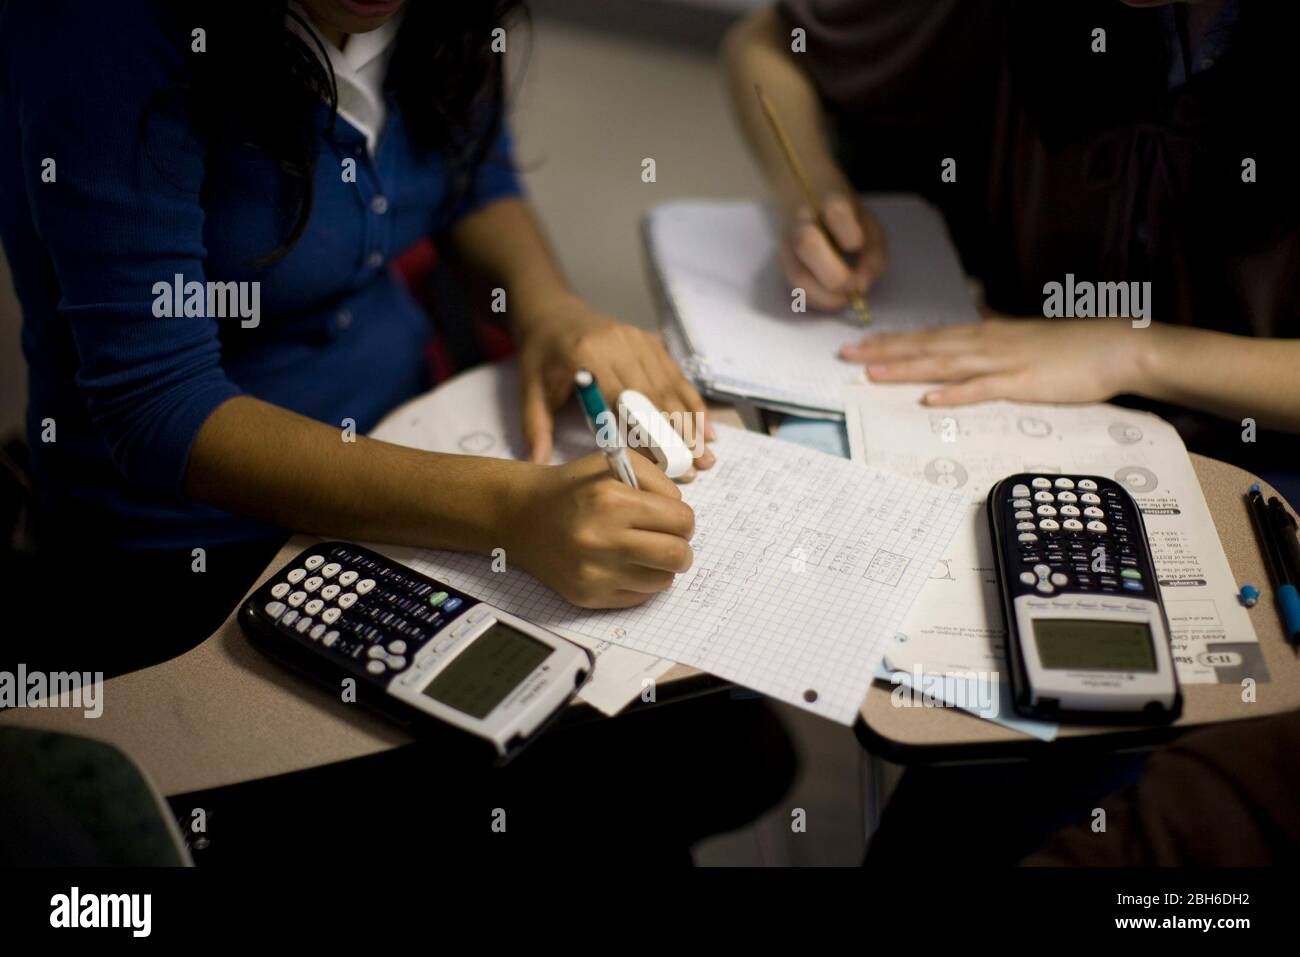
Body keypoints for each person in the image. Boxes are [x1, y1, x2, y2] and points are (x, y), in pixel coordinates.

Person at [0, 0, 721, 674]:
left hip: (423, 449)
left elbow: (473, 178)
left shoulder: (445, 15)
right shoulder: (100, 28)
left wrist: (551, 309)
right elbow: (159, 407)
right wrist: (510, 513)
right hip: (192, 550)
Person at [724, 0, 1300, 502]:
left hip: (1257, 462)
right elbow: (767, 44)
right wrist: (814, 189)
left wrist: (1133, 350)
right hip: (1015, 392)